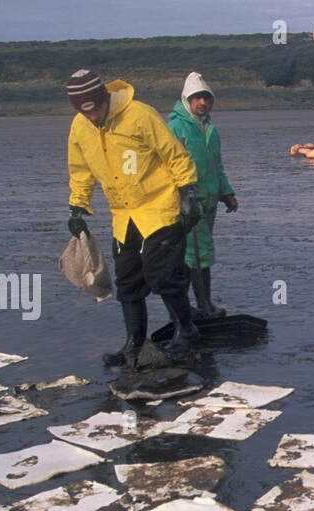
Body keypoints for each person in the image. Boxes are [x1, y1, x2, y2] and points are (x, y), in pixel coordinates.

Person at [65, 69, 202, 370]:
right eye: (85, 114)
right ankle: (134, 345)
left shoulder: (139, 115)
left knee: (164, 275)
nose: (93, 119)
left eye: (97, 111)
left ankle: (186, 332)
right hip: (124, 216)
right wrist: (77, 207)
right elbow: (81, 170)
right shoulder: (80, 128)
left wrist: (188, 194)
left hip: (160, 206)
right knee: (127, 282)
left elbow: (175, 156)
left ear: (104, 100)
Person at [167, 72, 238, 319]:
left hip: (209, 200)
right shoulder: (176, 127)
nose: (202, 103)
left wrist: (226, 192)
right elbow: (168, 165)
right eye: (197, 98)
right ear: (187, 100)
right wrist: (183, 198)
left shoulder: (210, 129)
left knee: (195, 253)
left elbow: (217, 165)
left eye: (206, 98)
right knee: (197, 253)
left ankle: (191, 307)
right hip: (188, 202)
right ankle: (203, 307)